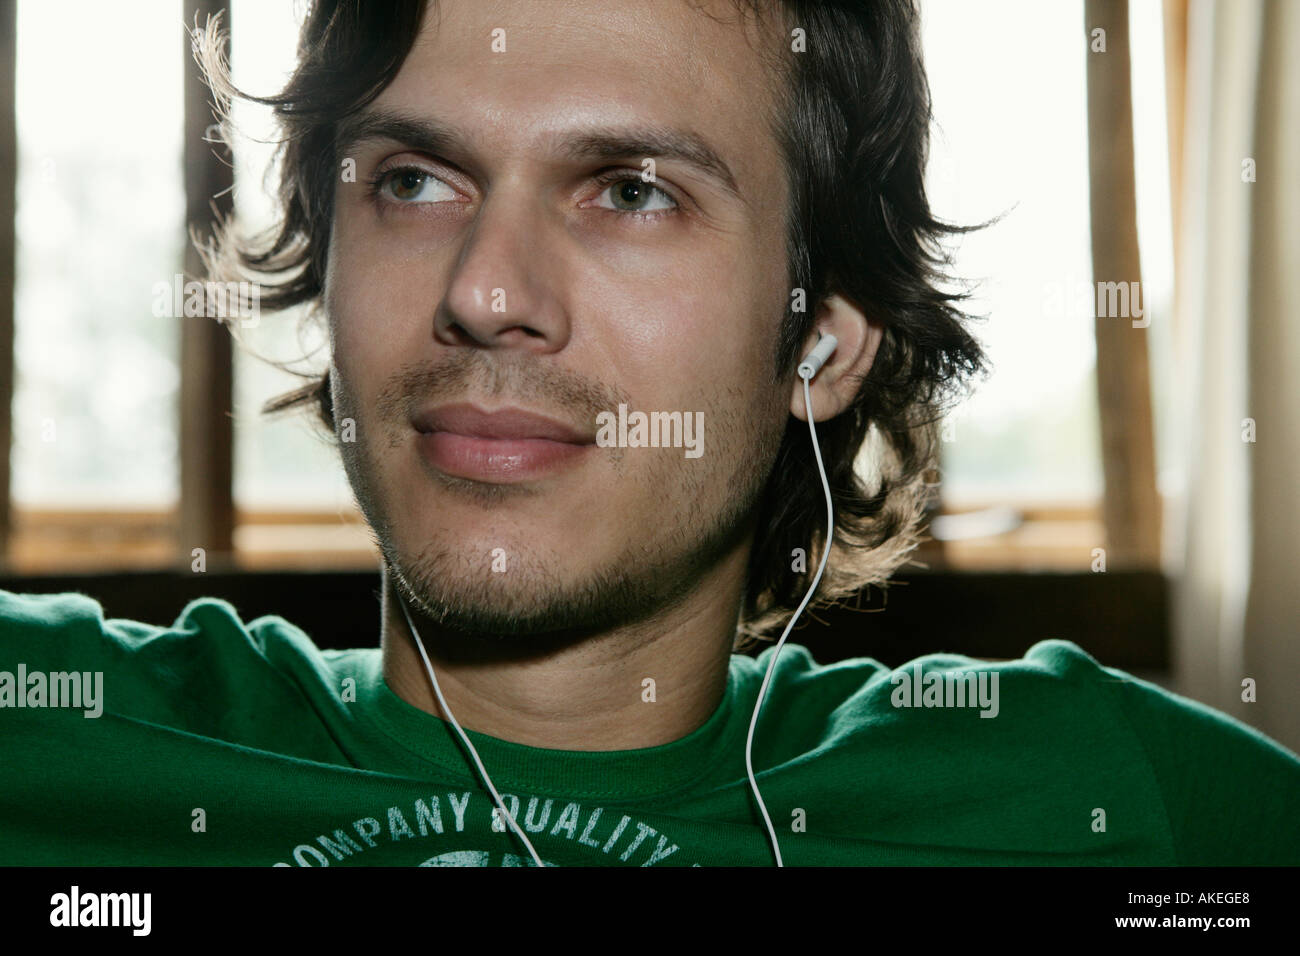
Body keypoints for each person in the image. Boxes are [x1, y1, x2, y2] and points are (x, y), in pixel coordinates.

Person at [2, 0, 1297, 867]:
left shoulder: (1106, 800)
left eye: (631, 191)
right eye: (413, 181)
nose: (486, 291)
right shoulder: (53, 735)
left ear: (821, 344)